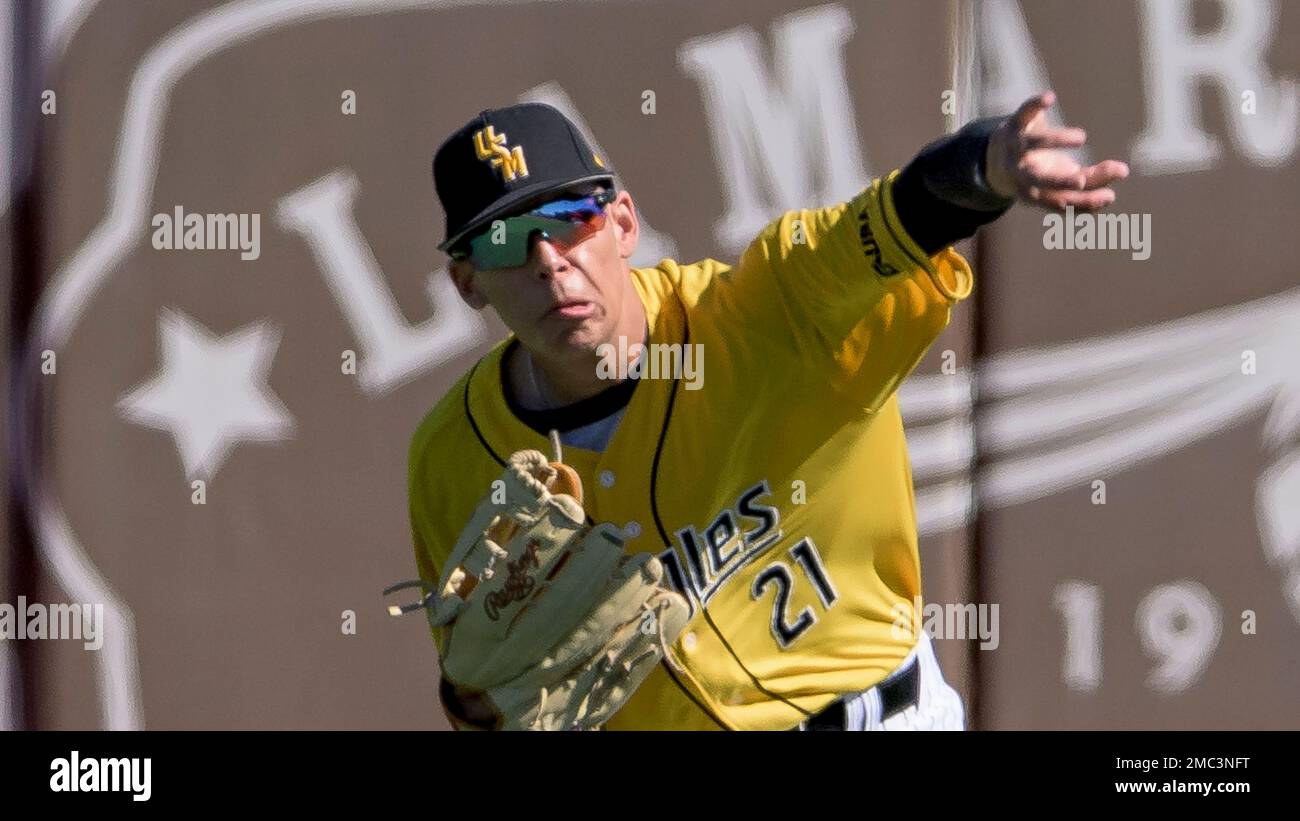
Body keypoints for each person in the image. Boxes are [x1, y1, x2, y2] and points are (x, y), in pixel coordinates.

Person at [408, 93, 1128, 730]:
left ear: (622, 223)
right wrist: (476, 701)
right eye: (503, 238)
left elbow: (890, 220)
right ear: (467, 281)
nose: (547, 258)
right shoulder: (452, 458)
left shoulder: (772, 313)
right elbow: (487, 694)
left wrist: (985, 170)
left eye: (568, 218)